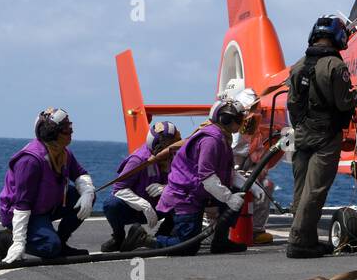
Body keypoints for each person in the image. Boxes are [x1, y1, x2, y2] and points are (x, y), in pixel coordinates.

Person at [286, 14, 357, 258]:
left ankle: (305, 239)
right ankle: (299, 243)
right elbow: (345, 102)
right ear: (338, 38)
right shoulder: (335, 66)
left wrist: (303, 126)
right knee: (315, 190)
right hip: (325, 136)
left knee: (300, 189)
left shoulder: (298, 66)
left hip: (303, 134)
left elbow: (293, 105)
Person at [151, 98, 253, 255]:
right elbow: (207, 177)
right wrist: (228, 198)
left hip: (199, 193)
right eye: (238, 119)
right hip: (185, 196)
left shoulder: (222, 136)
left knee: (236, 193)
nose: (241, 123)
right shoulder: (211, 140)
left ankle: (220, 242)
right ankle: (147, 240)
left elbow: (225, 172)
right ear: (224, 119)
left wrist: (249, 185)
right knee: (187, 246)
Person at [0, 107, 96, 263]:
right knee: (50, 248)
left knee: (83, 195)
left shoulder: (63, 153)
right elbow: (22, 204)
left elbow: (80, 174)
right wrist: (19, 242)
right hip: (23, 212)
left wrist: (88, 192)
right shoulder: (30, 161)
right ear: (53, 133)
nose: (71, 131)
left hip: (47, 206)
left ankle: (62, 242)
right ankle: (6, 239)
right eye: (66, 128)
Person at [100, 120, 180, 252]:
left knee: (181, 198)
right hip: (137, 210)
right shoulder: (139, 160)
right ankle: (118, 237)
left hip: (161, 207)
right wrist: (144, 205)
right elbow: (118, 188)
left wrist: (166, 188)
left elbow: (185, 182)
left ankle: (161, 236)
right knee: (111, 204)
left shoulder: (176, 156)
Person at [223, 85, 276, 244]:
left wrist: (260, 169)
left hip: (245, 171)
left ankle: (256, 230)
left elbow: (258, 155)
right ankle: (223, 227)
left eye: (256, 107)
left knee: (266, 184)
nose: (255, 112)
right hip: (228, 172)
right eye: (252, 108)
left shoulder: (255, 131)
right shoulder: (231, 132)